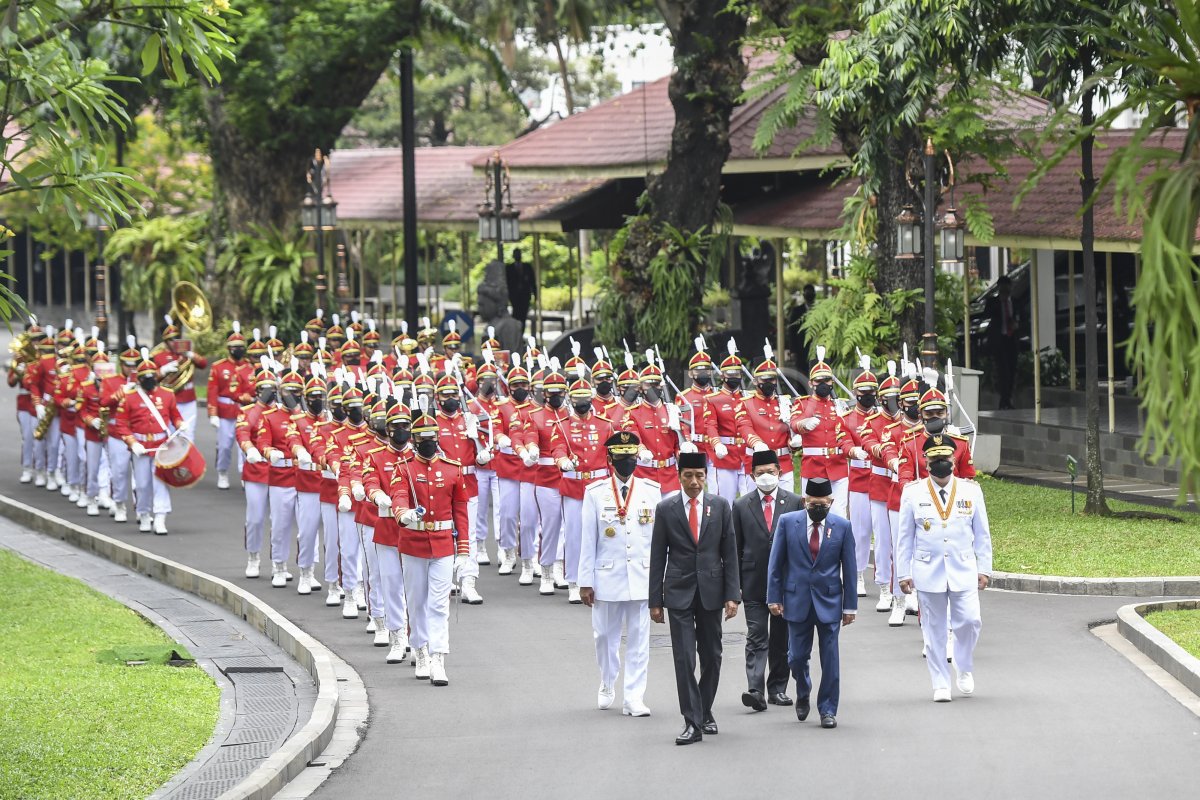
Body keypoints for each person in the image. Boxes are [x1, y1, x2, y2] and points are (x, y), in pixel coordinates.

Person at [649, 451, 740, 746]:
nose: (694, 482)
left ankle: (705, 708)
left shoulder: (721, 506)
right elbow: (657, 556)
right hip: (678, 592)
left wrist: (732, 595)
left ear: (706, 477)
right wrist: (655, 600)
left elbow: (730, 553)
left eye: (699, 476)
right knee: (684, 657)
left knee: (712, 655)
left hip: (712, 593)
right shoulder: (666, 509)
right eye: (688, 475)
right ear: (679, 476)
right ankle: (692, 721)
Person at [897, 435, 993, 702]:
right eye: (935, 459)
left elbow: (982, 534)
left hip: (963, 568)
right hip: (929, 571)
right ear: (926, 461)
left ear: (954, 460)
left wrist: (984, 568)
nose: (941, 463)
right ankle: (940, 682)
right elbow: (904, 537)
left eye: (946, 458)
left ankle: (963, 665)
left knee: (971, 621)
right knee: (934, 630)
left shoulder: (971, 491)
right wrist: (903, 573)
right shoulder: (913, 492)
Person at [579, 430, 661, 716]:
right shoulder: (595, 493)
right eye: (621, 457)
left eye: (631, 457)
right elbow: (587, 539)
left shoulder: (651, 491)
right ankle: (607, 680)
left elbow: (657, 541)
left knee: (639, 640)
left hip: (642, 576)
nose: (627, 461)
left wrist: (659, 581)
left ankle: (634, 697)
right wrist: (585, 581)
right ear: (610, 458)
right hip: (607, 576)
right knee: (604, 636)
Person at [766, 476, 857, 729]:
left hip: (829, 601)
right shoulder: (787, 522)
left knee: (830, 659)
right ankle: (803, 688)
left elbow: (849, 569)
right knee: (795, 657)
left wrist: (850, 607)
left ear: (831, 502)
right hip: (796, 600)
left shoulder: (842, 526)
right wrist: (773, 597)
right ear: (805, 501)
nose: (818, 507)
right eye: (813, 503)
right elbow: (776, 564)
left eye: (823, 504)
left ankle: (828, 709)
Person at [388, 412, 471, 686]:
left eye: (432, 439)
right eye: (422, 439)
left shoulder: (452, 468)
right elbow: (398, 495)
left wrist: (464, 550)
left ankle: (437, 657)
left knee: (439, 603)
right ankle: (420, 649)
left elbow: (461, 510)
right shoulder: (404, 468)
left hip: (444, 544)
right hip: (413, 544)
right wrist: (404, 514)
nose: (427, 444)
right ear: (413, 440)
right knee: (416, 601)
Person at [733, 449, 804, 712]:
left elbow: (799, 545)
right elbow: (734, 547)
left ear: (780, 472)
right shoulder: (741, 505)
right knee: (757, 635)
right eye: (760, 473)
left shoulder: (795, 501)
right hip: (752, 581)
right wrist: (735, 584)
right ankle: (755, 689)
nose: (765, 477)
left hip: (785, 584)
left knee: (781, 638)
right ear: (752, 475)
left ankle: (777, 688)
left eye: (770, 472)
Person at [113, 352, 185, 535]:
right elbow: (121, 424)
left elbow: (175, 415)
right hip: (141, 446)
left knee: (161, 481)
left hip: (162, 445)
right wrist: (132, 442)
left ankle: (160, 517)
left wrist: (180, 424)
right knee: (143, 483)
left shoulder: (167, 395)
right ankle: (144, 514)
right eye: (145, 377)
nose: (149, 380)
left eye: (152, 376)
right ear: (139, 379)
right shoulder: (129, 398)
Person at [207, 324, 254, 490]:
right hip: (225, 411)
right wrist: (213, 413)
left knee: (245, 445)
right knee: (225, 445)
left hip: (244, 411)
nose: (238, 350)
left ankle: (245, 474)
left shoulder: (249, 367)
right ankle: (222, 472)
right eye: (234, 347)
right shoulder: (218, 367)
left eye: (241, 347)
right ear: (228, 348)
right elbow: (212, 391)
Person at [986, 276, 1020, 410]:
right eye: (1003, 289)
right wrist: (999, 302)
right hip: (999, 341)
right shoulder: (993, 302)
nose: (1005, 291)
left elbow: (1022, 317)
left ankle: (1007, 399)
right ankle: (1004, 400)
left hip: (1012, 340)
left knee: (1012, 370)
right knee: (1003, 371)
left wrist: (1017, 324)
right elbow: (987, 315)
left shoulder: (1015, 303)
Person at [787, 284, 817, 374]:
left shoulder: (819, 310)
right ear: (804, 295)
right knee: (801, 374)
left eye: (811, 293)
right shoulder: (797, 311)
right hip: (801, 349)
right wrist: (793, 351)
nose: (809, 295)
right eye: (807, 293)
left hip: (816, 348)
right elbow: (792, 332)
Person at [506, 248, 536, 333]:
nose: (517, 256)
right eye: (516, 254)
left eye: (518, 254)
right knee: (516, 315)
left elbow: (532, 282)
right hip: (514, 298)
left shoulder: (527, 267)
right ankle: (516, 333)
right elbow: (507, 283)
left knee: (523, 316)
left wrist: (535, 294)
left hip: (525, 297)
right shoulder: (509, 268)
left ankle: (521, 333)